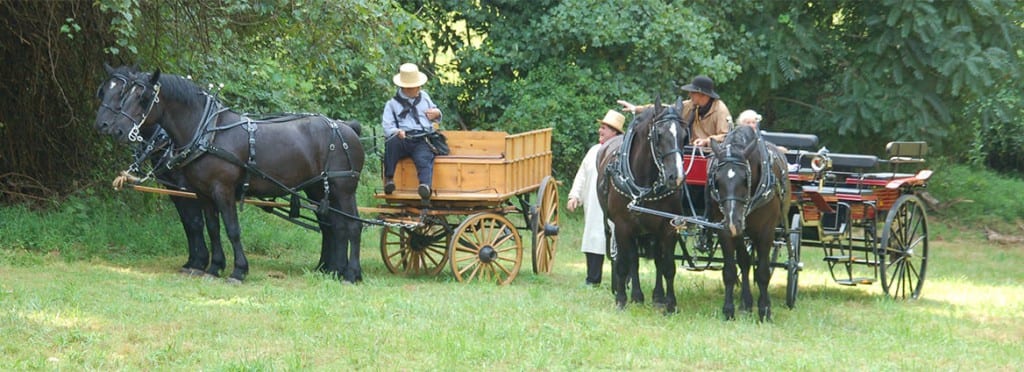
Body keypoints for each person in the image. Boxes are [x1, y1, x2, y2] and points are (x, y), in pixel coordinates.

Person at [567, 109, 625, 287]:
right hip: (593, 203)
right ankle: (592, 279)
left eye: (605, 128)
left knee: (618, 240)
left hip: (615, 205)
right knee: (593, 238)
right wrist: (574, 195)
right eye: (601, 127)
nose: (600, 131)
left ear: (615, 133)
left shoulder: (623, 152)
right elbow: (582, 175)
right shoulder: (593, 151)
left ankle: (620, 280)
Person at [381, 63, 443, 205]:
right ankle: (389, 180)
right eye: (416, 86)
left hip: (421, 138)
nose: (419, 89)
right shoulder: (391, 104)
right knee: (391, 143)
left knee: (424, 157)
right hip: (403, 138)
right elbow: (387, 126)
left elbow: (436, 112)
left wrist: (436, 113)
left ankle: (425, 187)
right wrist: (397, 131)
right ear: (406, 88)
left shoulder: (424, 97)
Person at [617, 75, 732, 147]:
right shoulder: (691, 105)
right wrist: (636, 109)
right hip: (689, 152)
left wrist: (706, 141)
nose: (689, 94)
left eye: (693, 92)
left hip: (711, 157)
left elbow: (727, 136)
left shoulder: (720, 109)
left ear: (702, 94)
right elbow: (666, 109)